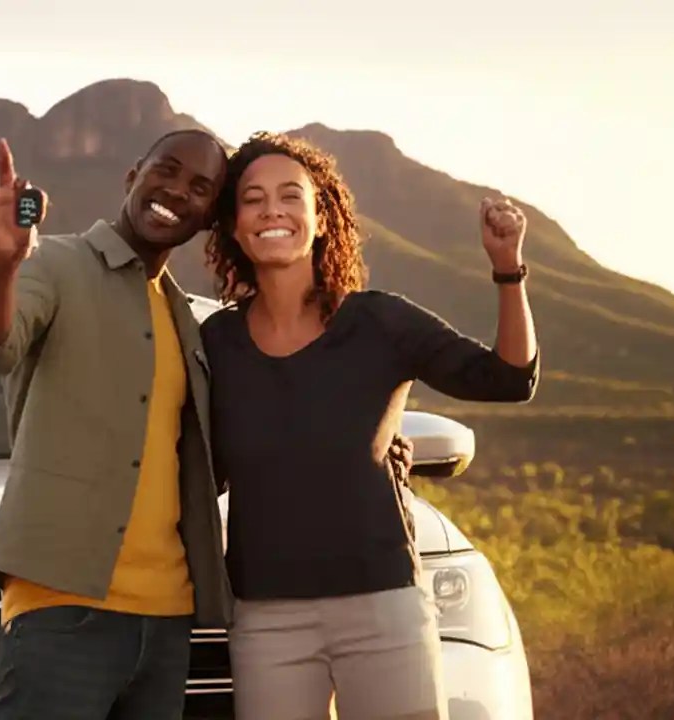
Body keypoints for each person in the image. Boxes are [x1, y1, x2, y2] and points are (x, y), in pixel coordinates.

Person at [0, 131, 417, 720]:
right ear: (133, 174)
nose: (176, 191)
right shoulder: (53, 263)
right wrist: (2, 259)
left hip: (169, 622)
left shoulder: (192, 321)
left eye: (200, 188)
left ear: (208, 220)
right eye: (166, 170)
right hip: (63, 610)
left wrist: (362, 445)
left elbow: (218, 454)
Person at [200, 131, 540, 720]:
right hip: (265, 617)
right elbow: (200, 467)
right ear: (234, 226)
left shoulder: (379, 322)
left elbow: (509, 379)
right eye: (252, 199)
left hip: (383, 607)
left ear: (321, 218)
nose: (272, 210)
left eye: (290, 196)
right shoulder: (216, 343)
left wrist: (509, 271)